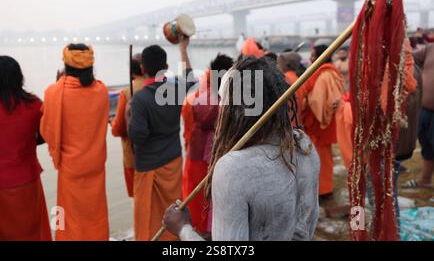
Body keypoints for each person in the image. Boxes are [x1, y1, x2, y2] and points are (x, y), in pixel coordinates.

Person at [162, 57, 320, 241]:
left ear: (234, 111)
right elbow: (306, 228)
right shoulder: (304, 146)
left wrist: (183, 229)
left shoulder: (233, 168)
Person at [127, 36, 197, 241]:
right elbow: (190, 79)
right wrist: (183, 49)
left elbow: (138, 137)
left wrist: (129, 115)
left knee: (148, 217)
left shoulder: (139, 98)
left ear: (142, 68)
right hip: (173, 160)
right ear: (166, 67)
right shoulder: (175, 90)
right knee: (173, 208)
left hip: (148, 165)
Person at [40, 44, 110, 241]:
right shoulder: (101, 90)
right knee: (95, 213)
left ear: (65, 65)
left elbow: (47, 132)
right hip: (95, 166)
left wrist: (59, 83)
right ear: (90, 66)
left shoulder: (54, 92)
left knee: (69, 218)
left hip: (71, 168)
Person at [0, 56, 52, 241]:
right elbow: (45, 135)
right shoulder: (34, 104)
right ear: (18, 77)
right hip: (29, 181)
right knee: (33, 232)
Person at [181, 54, 233, 237]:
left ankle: (200, 230)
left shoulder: (204, 97)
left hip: (201, 154)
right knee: (212, 195)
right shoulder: (226, 98)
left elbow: (196, 119)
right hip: (218, 154)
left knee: (198, 195)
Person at [301, 43, 345, 198]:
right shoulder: (325, 71)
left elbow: (317, 102)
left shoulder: (325, 73)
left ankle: (324, 190)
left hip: (320, 121)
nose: (311, 58)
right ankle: (323, 188)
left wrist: (305, 100)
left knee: (322, 157)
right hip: (320, 121)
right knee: (322, 156)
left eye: (313, 55)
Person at [111, 54, 145, 198]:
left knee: (138, 200)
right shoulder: (162, 88)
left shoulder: (126, 93)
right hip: (160, 158)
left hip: (133, 157)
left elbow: (119, 129)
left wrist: (112, 123)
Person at [403, 42, 434, 190]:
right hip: (425, 110)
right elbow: (408, 57)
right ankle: (425, 180)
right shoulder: (430, 49)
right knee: (427, 148)